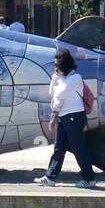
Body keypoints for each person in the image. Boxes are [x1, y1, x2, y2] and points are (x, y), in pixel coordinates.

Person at [35, 49, 95, 188]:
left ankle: (89, 178)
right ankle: (50, 177)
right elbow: (52, 92)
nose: (56, 68)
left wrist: (58, 82)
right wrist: (56, 77)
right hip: (63, 116)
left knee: (78, 148)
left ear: (65, 65)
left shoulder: (75, 78)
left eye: (58, 66)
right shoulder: (62, 78)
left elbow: (60, 94)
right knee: (59, 147)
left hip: (74, 116)